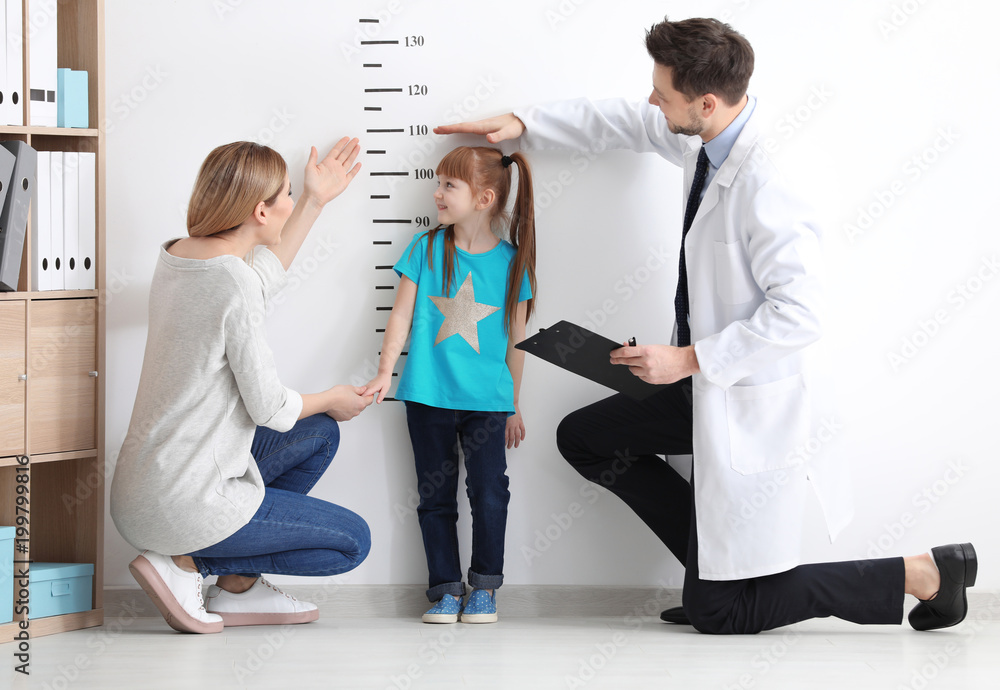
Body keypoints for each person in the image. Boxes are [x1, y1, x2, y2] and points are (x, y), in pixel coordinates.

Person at [435, 17, 977, 634]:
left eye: (663, 93)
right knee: (584, 438)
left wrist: (686, 359)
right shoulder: (704, 140)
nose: (652, 101)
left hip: (744, 391)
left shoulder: (768, 183)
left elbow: (801, 313)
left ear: (707, 102)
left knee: (719, 614)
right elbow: (625, 120)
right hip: (702, 382)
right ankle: (711, 571)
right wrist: (526, 123)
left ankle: (920, 573)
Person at [110, 139, 374, 634]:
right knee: (352, 541)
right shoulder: (232, 282)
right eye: (290, 195)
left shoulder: (180, 256)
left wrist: (316, 201)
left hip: (143, 489)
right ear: (259, 210)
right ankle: (189, 565)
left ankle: (238, 584)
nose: (292, 203)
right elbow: (270, 407)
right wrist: (336, 397)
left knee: (319, 433)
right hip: (183, 504)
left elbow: (261, 278)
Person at [364, 146, 536, 624]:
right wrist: (385, 371)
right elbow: (399, 314)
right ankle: (445, 589)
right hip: (426, 395)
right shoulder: (426, 248)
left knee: (489, 494)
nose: (436, 193)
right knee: (434, 497)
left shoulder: (511, 262)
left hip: (487, 402)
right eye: (437, 182)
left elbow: (518, 343)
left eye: (448, 185)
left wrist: (514, 404)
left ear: (483, 198)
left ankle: (484, 588)